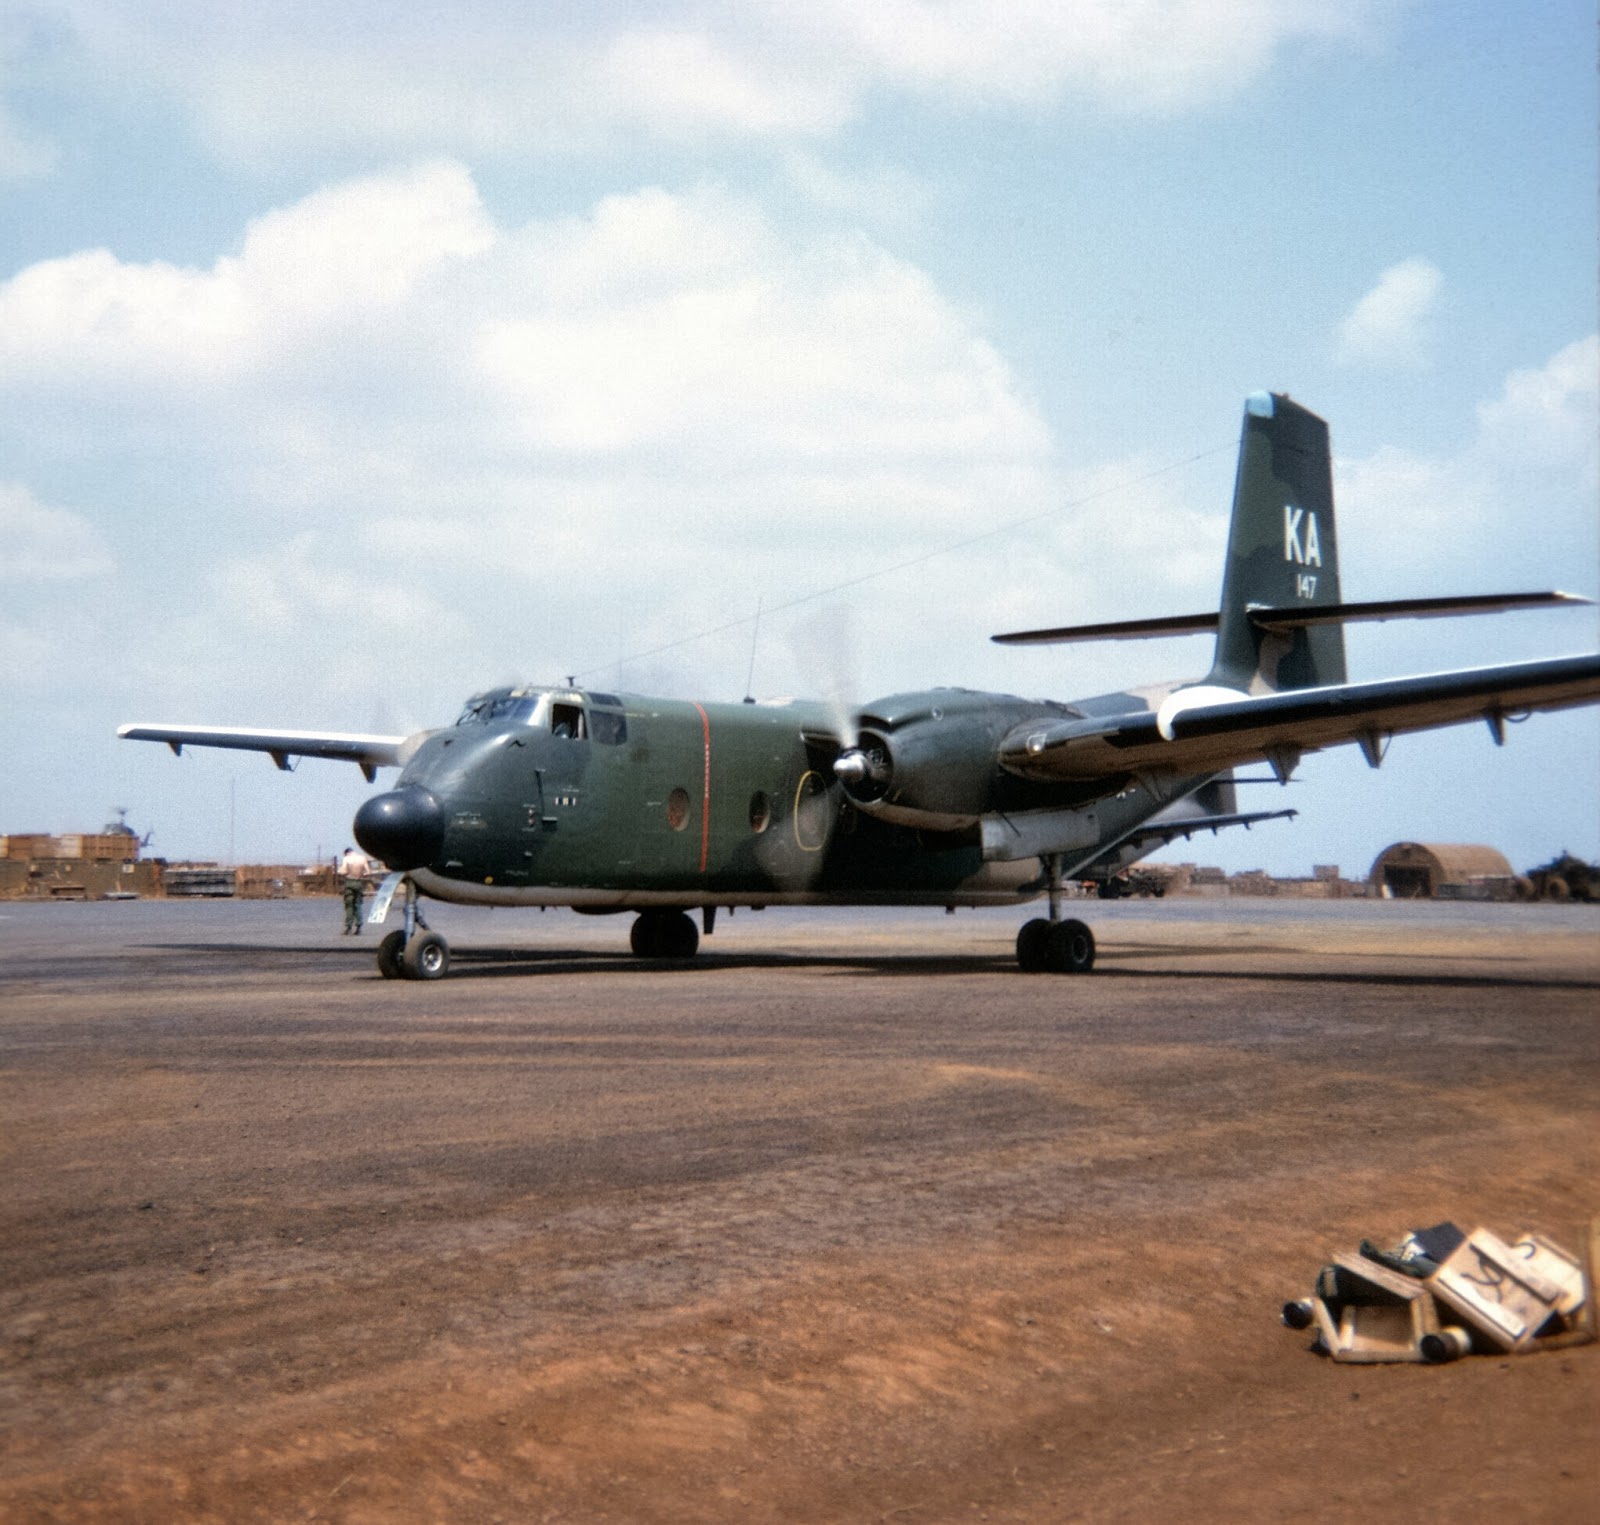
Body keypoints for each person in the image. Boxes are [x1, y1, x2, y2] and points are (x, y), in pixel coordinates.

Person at [338, 846, 371, 934]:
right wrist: (361, 874)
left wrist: (341, 871)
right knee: (358, 905)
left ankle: (348, 927)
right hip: (358, 883)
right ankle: (359, 927)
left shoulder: (346, 859)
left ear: (346, 853)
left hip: (349, 882)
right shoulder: (362, 858)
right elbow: (368, 872)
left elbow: (344, 871)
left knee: (349, 906)